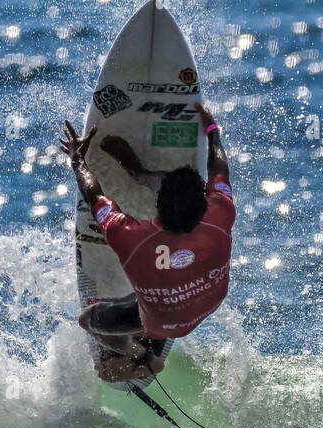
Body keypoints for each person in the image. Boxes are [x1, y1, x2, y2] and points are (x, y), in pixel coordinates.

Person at [60, 103, 234, 384]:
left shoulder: (131, 237)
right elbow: (219, 169)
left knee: (88, 320)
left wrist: (77, 160)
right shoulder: (221, 212)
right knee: (171, 280)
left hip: (157, 320)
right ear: (203, 205)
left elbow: (96, 198)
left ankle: (140, 356)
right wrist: (213, 131)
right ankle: (138, 171)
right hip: (207, 302)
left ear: (158, 209)